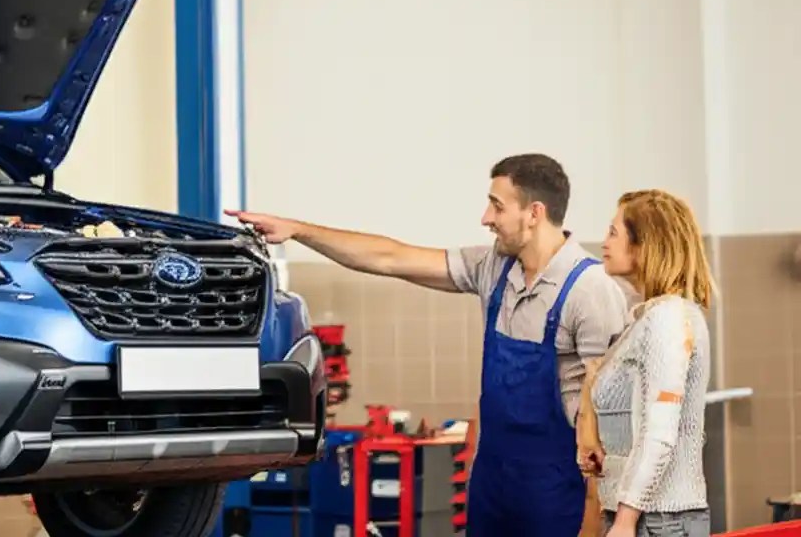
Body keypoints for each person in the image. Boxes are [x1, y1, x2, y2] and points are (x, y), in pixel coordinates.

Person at [227, 153, 630, 537]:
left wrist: (598, 517)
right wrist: (298, 231)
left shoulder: (590, 289)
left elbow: (613, 419)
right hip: (493, 484)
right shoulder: (493, 269)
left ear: (535, 213)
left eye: (497, 206)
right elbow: (389, 258)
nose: (485, 218)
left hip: (559, 491)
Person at [576, 190, 713, 537]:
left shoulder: (668, 317)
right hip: (641, 516)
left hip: (658, 520)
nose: (604, 242)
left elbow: (660, 434)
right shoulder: (644, 318)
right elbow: (636, 423)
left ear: (643, 245)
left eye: (613, 232)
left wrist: (624, 521)